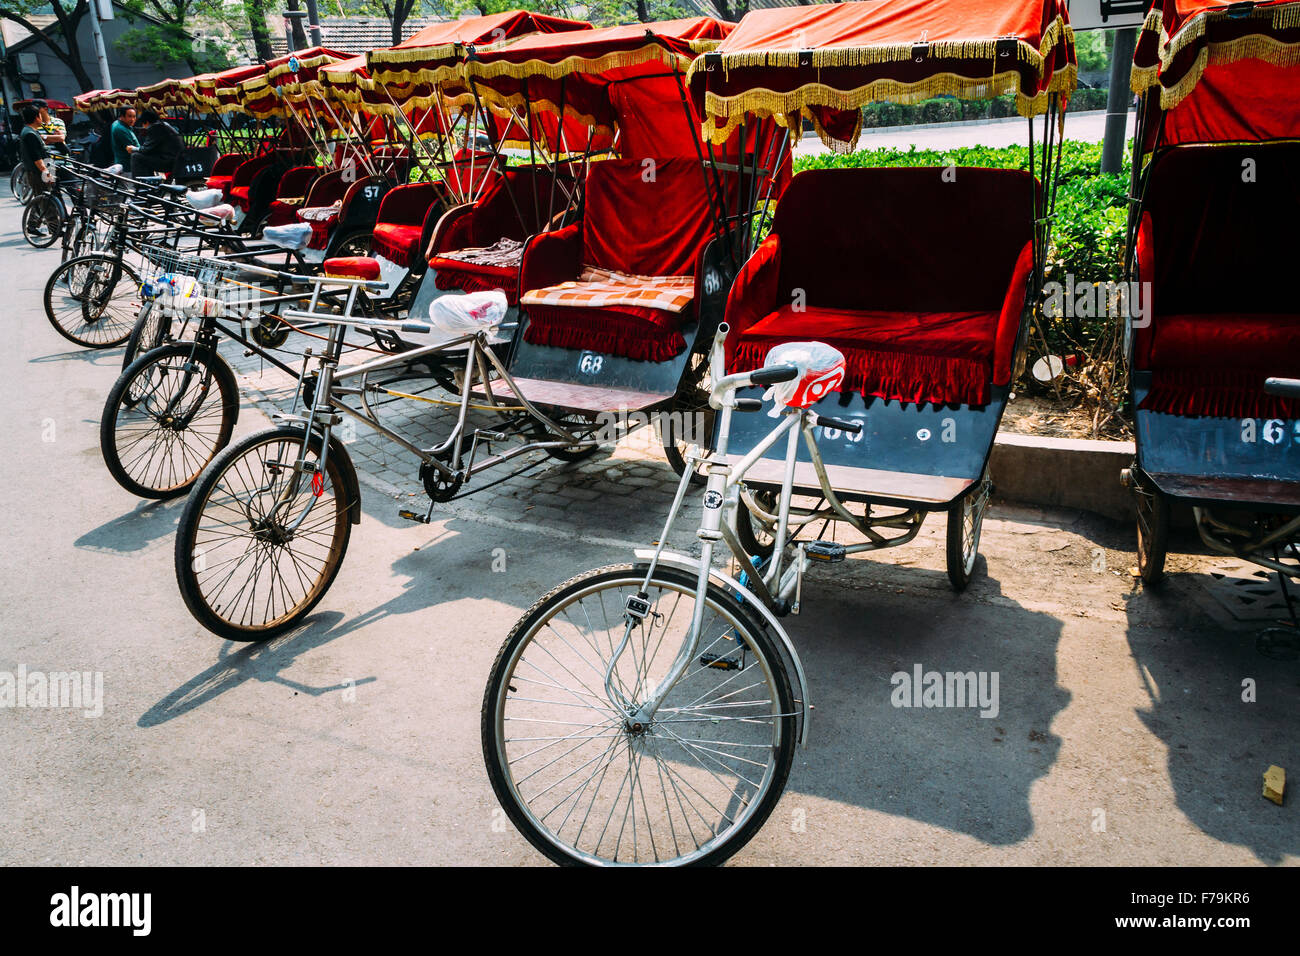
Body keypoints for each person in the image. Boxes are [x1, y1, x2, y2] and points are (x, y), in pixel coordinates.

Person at [130, 109, 182, 178]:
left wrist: (133, 148)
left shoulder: (155, 128)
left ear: (147, 122)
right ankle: (149, 182)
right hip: (175, 158)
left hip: (169, 161)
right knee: (145, 157)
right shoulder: (163, 125)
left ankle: (141, 185)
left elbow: (145, 149)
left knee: (136, 156)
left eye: (143, 124)